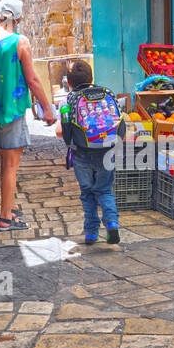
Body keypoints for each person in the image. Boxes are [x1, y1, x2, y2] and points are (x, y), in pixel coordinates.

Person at [0, 0, 56, 231]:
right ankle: (5, 218)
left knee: (4, 163)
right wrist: (47, 108)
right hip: (12, 110)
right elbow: (32, 79)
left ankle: (7, 208)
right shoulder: (20, 42)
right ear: (17, 19)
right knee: (11, 166)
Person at [56, 59, 121, 245]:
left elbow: (62, 131)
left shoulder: (67, 100)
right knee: (104, 190)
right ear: (92, 78)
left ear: (68, 83)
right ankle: (112, 224)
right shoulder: (106, 94)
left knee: (87, 192)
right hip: (107, 151)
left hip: (81, 153)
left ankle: (91, 232)